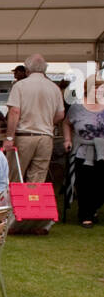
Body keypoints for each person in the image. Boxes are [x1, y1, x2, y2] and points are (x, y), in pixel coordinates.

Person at [5, 54, 65, 183]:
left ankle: (14, 202)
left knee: (14, 177)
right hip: (46, 137)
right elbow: (60, 115)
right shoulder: (54, 88)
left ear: (27, 69)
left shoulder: (20, 86)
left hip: (24, 135)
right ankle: (32, 202)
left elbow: (14, 112)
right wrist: (48, 122)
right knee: (37, 180)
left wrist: (9, 137)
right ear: (44, 69)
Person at [63, 80, 104, 226]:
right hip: (82, 150)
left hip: (102, 152)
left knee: (100, 184)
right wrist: (67, 140)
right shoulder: (77, 106)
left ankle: (94, 208)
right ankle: (86, 215)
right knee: (84, 184)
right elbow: (66, 123)